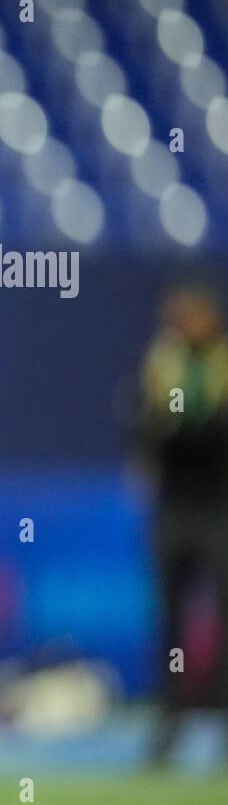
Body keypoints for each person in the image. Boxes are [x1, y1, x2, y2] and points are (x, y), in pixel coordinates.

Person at [138, 284, 228, 767]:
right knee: (168, 621)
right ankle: (169, 722)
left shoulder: (220, 365)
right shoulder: (162, 364)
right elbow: (149, 429)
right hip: (175, 509)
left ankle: (219, 716)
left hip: (219, 505)